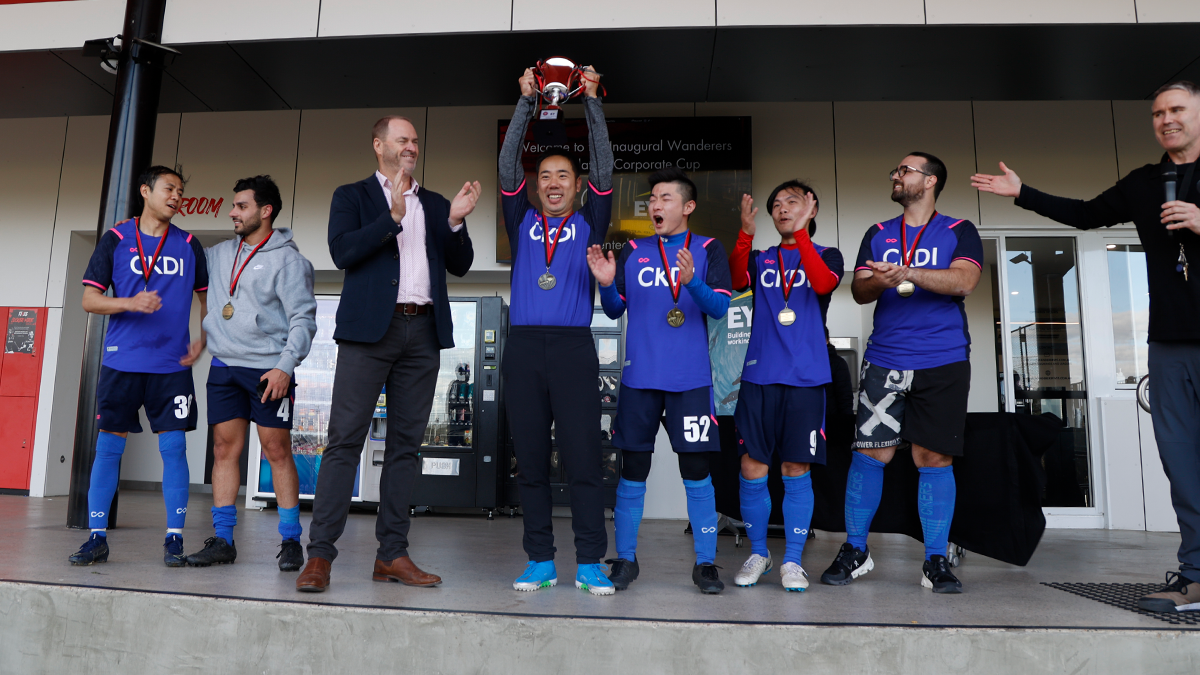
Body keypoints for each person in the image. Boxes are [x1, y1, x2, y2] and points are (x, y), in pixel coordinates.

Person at [972, 80, 1200, 613]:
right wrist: (1023, 193)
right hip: (1169, 344)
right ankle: (1196, 574)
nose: (1166, 119)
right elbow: (1084, 214)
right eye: (1157, 113)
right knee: (1182, 466)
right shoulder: (1146, 182)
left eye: (1177, 109)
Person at [296, 116, 480, 592]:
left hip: (423, 333)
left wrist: (455, 221)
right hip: (368, 335)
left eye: (416, 140)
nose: (411, 146)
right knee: (344, 443)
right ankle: (320, 556)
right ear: (379, 146)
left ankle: (391, 555)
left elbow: (461, 264)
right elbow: (342, 252)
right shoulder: (351, 196)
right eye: (403, 139)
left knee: (405, 449)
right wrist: (391, 218)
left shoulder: (435, 204)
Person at [820, 152, 982, 594]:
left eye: (905, 171)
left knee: (934, 458)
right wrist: (883, 279)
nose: (895, 175)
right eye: (895, 170)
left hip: (943, 360)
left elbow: (963, 282)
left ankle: (935, 559)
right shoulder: (878, 233)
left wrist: (908, 271)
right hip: (885, 358)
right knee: (870, 454)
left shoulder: (959, 230)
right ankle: (856, 550)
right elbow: (859, 291)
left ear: (930, 181)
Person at [499, 65, 616, 596]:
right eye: (544, 175)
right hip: (523, 348)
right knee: (530, 465)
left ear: (578, 186)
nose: (552, 183)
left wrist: (591, 101)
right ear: (535, 185)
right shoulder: (521, 220)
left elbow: (605, 165)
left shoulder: (590, 222)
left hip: (572, 349)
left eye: (563, 176)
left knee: (584, 461)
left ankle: (590, 562)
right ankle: (540, 560)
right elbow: (507, 166)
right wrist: (526, 103)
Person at [588, 167, 733, 594]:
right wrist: (607, 285)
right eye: (652, 198)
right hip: (640, 379)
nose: (655, 204)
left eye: (665, 198)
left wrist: (692, 282)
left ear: (687, 207)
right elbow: (615, 309)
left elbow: (719, 308)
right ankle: (625, 559)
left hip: (691, 381)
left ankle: (706, 564)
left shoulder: (708, 248)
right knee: (633, 469)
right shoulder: (633, 250)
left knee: (697, 470)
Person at [68, 166, 209, 567]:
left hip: (171, 365)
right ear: (145, 191)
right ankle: (96, 538)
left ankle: (174, 538)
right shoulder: (115, 239)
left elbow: (206, 299)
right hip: (122, 362)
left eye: (181, 191)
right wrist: (130, 302)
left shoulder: (189, 244)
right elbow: (89, 300)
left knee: (175, 448)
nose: (176, 196)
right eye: (169, 188)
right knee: (108, 448)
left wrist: (203, 338)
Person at [185, 175, 317, 571]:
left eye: (241, 206)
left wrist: (284, 368)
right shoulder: (219, 254)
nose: (232, 212)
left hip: (267, 370)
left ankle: (291, 540)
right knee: (224, 450)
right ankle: (223, 540)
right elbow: (181, 260)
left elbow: (303, 320)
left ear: (266, 210)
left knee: (277, 450)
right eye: (233, 205)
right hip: (224, 366)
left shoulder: (290, 261)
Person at [727, 181, 841, 591]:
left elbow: (823, 284)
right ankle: (759, 552)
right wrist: (745, 233)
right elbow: (736, 279)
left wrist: (803, 234)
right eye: (776, 204)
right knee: (751, 466)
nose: (782, 209)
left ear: (812, 208)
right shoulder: (762, 258)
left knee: (796, 467)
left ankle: (792, 560)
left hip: (806, 379)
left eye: (792, 202)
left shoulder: (827, 255)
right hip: (758, 377)